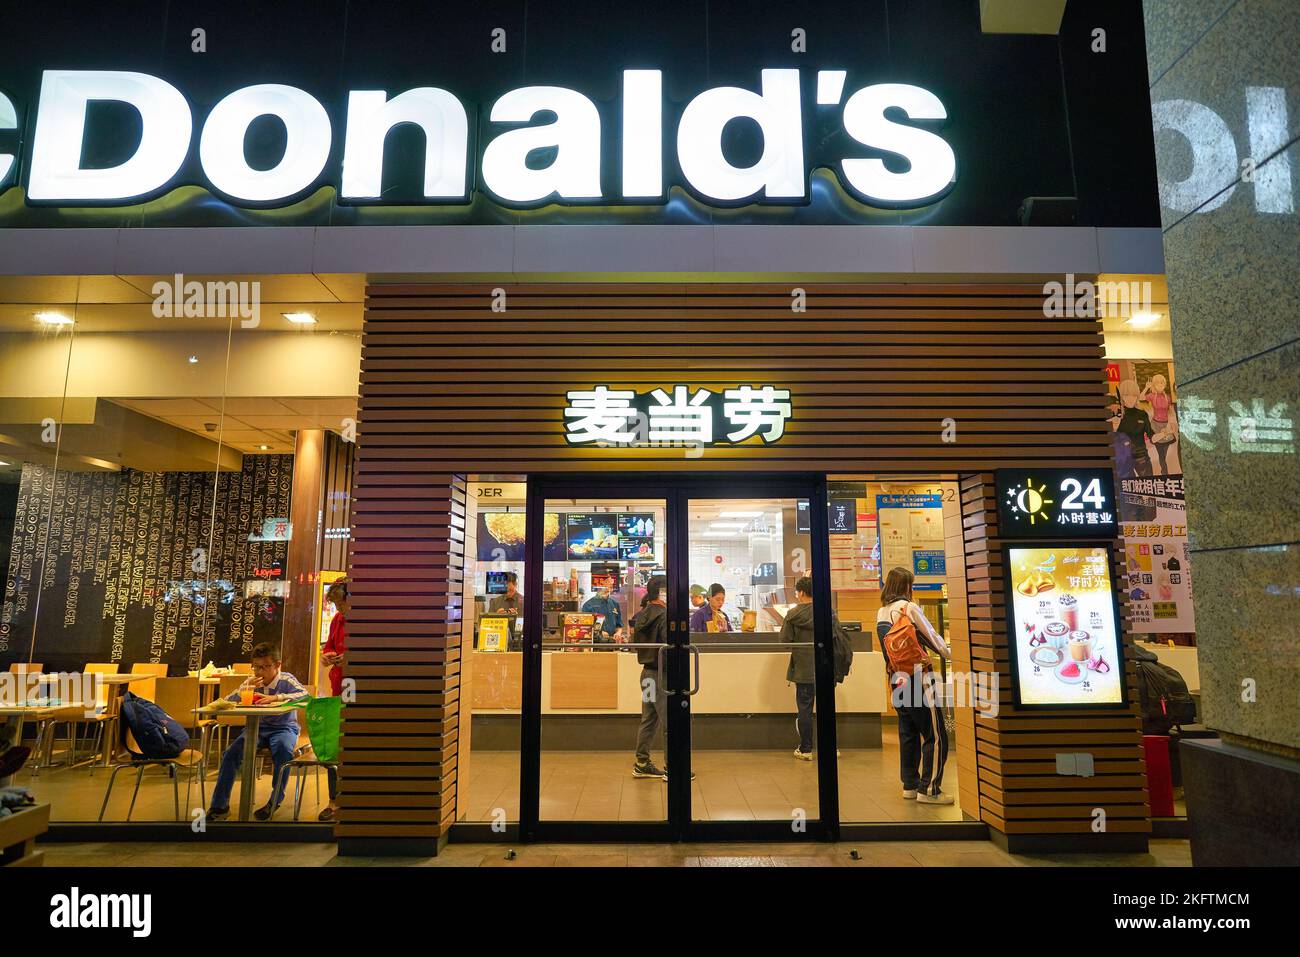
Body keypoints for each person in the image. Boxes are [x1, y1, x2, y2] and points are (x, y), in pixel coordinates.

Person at [206, 642, 309, 822]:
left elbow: (306, 696)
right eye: (256, 667)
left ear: (277, 665)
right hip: (256, 728)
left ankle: (275, 800)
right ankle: (219, 805)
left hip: (284, 727)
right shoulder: (251, 682)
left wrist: (276, 697)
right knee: (231, 753)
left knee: (284, 751)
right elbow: (229, 700)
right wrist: (245, 688)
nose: (260, 672)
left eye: (265, 667)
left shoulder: (286, 680)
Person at [877, 567, 953, 805]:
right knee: (936, 734)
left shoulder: (881, 612)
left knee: (907, 731)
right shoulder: (908, 608)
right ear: (906, 587)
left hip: (896, 678)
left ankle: (910, 784)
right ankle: (930, 789)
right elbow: (933, 638)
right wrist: (952, 653)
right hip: (918, 677)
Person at [317, 579, 349, 822]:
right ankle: (334, 800)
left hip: (355, 688)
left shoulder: (366, 620)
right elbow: (327, 648)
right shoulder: (338, 621)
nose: (338, 608)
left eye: (341, 603)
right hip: (338, 685)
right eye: (336, 603)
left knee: (348, 741)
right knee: (335, 742)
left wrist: (347, 659)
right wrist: (327, 657)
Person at [632, 576, 668, 779]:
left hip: (646, 674)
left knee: (649, 719)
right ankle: (673, 767)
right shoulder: (664, 616)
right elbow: (668, 645)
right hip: (662, 675)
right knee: (669, 722)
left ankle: (642, 762)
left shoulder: (642, 614)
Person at [781, 576, 817, 760]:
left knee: (805, 709)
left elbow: (784, 641)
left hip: (803, 669)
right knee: (828, 707)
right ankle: (831, 747)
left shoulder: (793, 614)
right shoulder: (827, 612)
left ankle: (806, 749)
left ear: (801, 592)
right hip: (824, 668)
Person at [489, 571, 524, 650]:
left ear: (515, 585)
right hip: (499, 644)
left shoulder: (525, 602)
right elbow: (487, 626)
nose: (507, 593)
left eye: (510, 590)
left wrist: (518, 618)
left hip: (521, 644)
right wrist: (497, 616)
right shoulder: (495, 602)